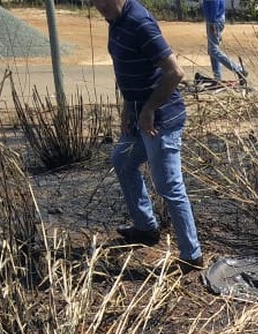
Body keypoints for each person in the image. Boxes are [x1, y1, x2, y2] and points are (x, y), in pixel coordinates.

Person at [92, 0, 204, 271]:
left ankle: (192, 255)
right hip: (139, 116)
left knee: (168, 185)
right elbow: (127, 72)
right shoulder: (116, 22)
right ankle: (146, 227)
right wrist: (128, 109)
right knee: (122, 161)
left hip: (161, 119)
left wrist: (149, 108)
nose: (100, 5)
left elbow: (175, 73)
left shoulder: (139, 22)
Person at [201, 0, 247, 86]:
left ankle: (239, 70)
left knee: (213, 50)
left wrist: (213, 22)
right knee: (213, 51)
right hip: (216, 18)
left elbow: (214, 2)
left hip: (214, 20)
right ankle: (217, 78)